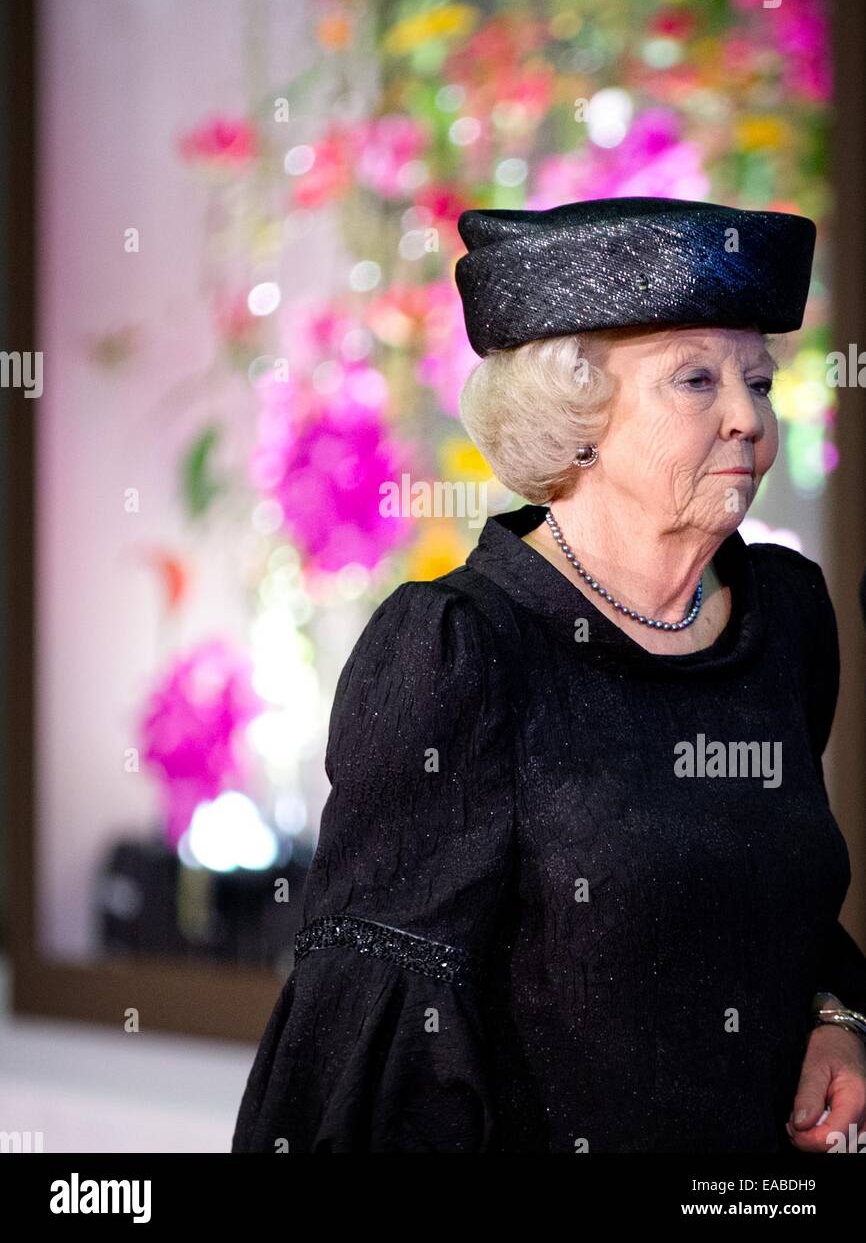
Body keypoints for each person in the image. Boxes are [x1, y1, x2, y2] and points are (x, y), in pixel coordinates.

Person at [232, 197, 866, 1153]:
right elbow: (388, 1023)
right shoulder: (458, 650)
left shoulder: (786, 617)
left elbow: (776, 901)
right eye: (696, 380)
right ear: (578, 421)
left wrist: (840, 1019)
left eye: (760, 384)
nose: (746, 418)